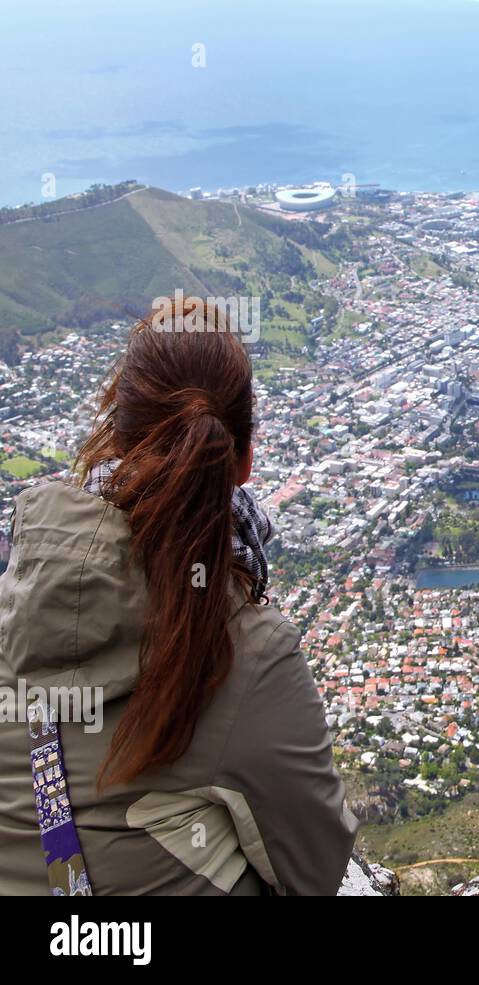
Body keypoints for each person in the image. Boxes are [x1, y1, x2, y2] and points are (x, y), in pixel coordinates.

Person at [0, 297, 357, 895]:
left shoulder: (20, 585)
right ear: (243, 459)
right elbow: (315, 869)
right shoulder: (245, 652)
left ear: (114, 433)